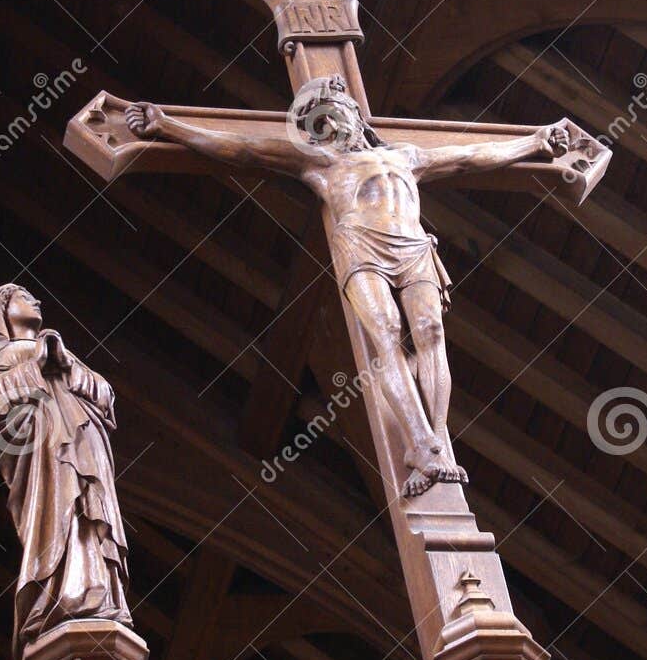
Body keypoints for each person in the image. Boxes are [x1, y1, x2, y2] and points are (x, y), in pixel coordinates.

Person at [126, 74, 567, 494]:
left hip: (413, 246)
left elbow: (471, 156)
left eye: (337, 112)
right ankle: (418, 443)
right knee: (387, 332)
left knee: (431, 332)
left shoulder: (406, 156)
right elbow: (241, 149)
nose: (332, 122)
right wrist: (167, 126)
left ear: (355, 116)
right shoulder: (318, 162)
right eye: (322, 119)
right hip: (362, 245)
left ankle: (436, 438)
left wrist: (534, 142)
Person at [0, 284, 132, 660]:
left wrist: (66, 362)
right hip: (43, 454)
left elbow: (104, 396)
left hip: (85, 443)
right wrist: (34, 364)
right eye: (23, 296)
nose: (36, 300)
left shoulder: (61, 350)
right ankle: (59, 591)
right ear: (2, 310)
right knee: (59, 512)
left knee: (90, 514)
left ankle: (95, 587)